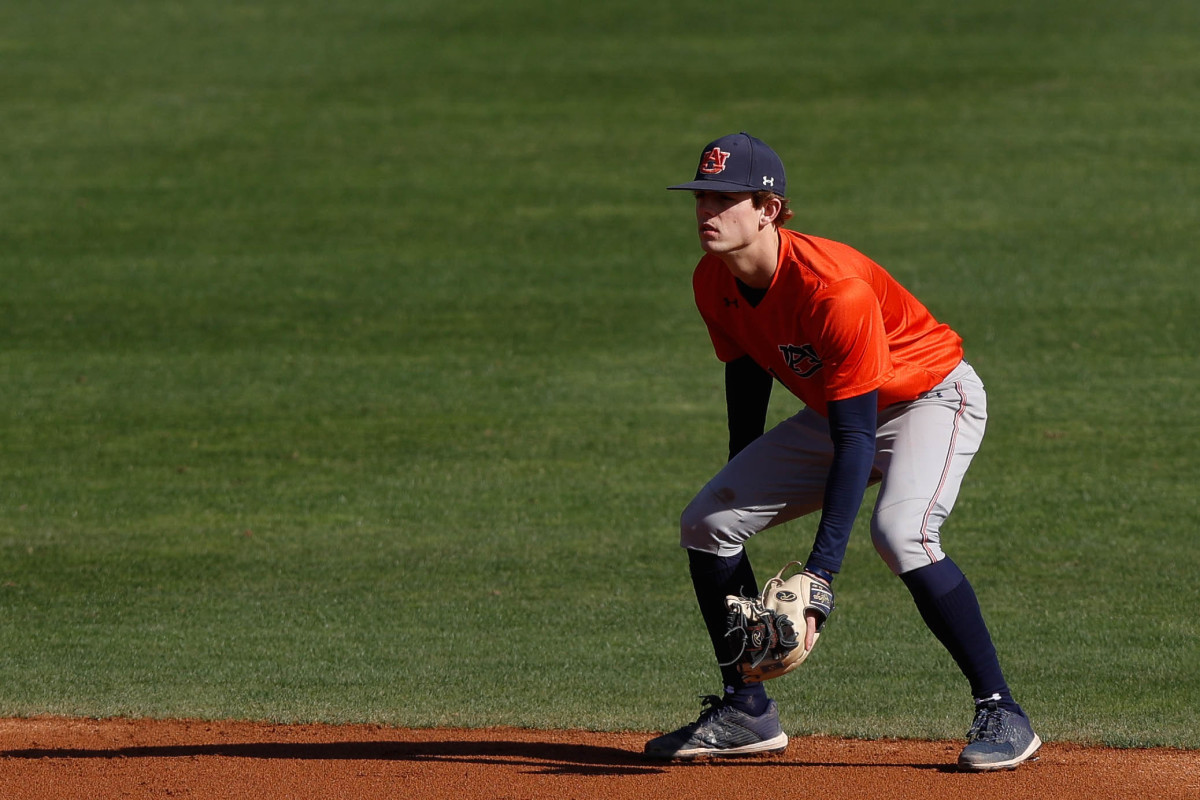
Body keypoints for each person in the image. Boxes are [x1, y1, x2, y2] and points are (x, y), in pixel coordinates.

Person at [643, 132, 1040, 771]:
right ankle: (746, 709)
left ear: (769, 209)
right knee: (708, 521)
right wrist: (742, 481)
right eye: (701, 197)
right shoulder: (711, 280)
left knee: (900, 532)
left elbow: (856, 440)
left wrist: (820, 577)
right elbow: (746, 378)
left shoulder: (833, 288)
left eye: (725, 198)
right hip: (841, 409)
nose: (706, 212)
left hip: (929, 399)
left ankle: (1002, 710)